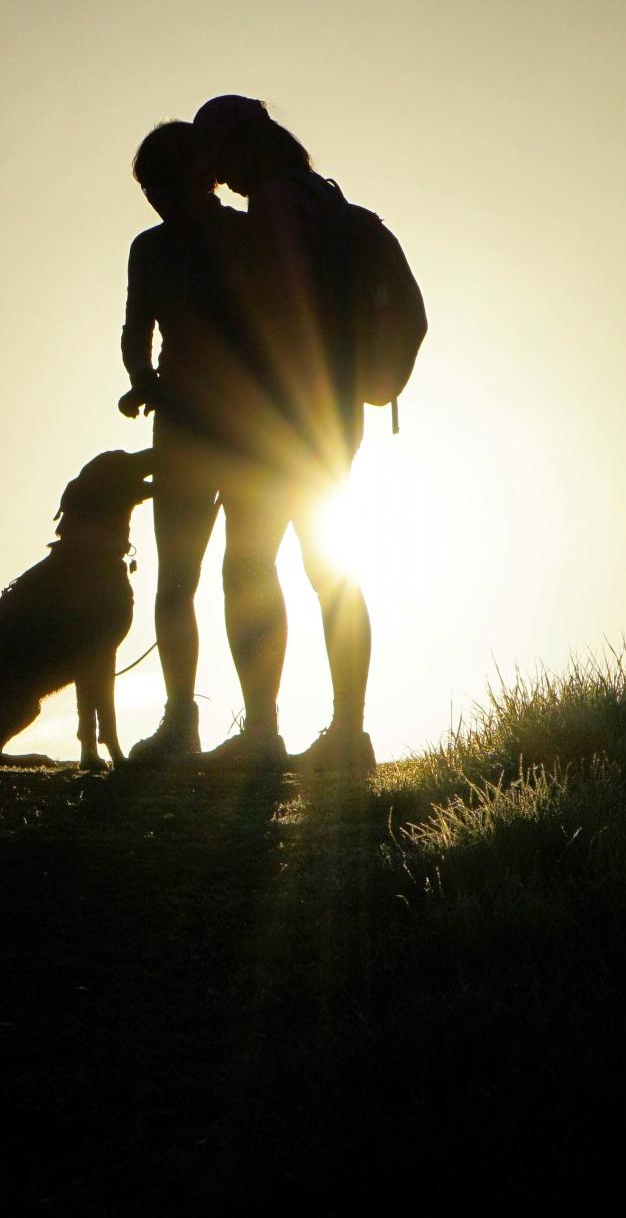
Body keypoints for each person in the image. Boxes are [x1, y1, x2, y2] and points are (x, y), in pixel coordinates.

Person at [192, 95, 375, 772]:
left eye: (220, 163)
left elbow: (282, 308)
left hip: (281, 414)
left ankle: (263, 734)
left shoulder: (273, 203)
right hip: (334, 408)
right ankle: (349, 732)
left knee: (247, 567)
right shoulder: (320, 196)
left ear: (245, 145)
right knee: (329, 568)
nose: (220, 181)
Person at [119, 122, 254, 763]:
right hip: (190, 424)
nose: (154, 197)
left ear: (202, 177)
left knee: (245, 573)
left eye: (162, 182)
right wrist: (142, 380)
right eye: (147, 186)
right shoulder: (150, 249)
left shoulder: (247, 235)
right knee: (179, 580)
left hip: (248, 427)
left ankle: (260, 726)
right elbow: (134, 330)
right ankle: (183, 721)